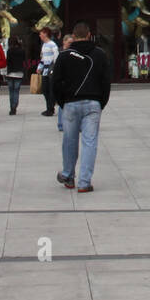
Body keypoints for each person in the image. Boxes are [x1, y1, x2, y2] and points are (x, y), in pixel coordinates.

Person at [53, 22, 111, 193]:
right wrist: (102, 102)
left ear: (73, 36)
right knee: (89, 142)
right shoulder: (100, 54)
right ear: (88, 35)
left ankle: (68, 175)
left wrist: (62, 102)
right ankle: (84, 182)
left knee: (69, 141)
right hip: (93, 102)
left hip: (70, 102)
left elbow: (56, 83)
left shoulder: (64, 56)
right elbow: (106, 82)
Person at [38, 27, 60, 117]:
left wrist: (55, 68)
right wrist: (40, 67)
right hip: (45, 69)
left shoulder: (52, 45)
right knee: (45, 89)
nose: (40, 35)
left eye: (41, 33)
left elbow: (56, 57)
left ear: (45, 34)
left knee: (50, 89)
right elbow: (43, 58)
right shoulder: (44, 45)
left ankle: (50, 108)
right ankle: (49, 107)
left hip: (51, 69)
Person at [4, 37, 26, 116]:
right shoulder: (22, 51)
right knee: (16, 91)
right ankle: (14, 107)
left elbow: (7, 61)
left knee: (11, 91)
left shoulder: (9, 51)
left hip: (10, 73)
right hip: (19, 73)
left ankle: (11, 108)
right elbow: (24, 60)